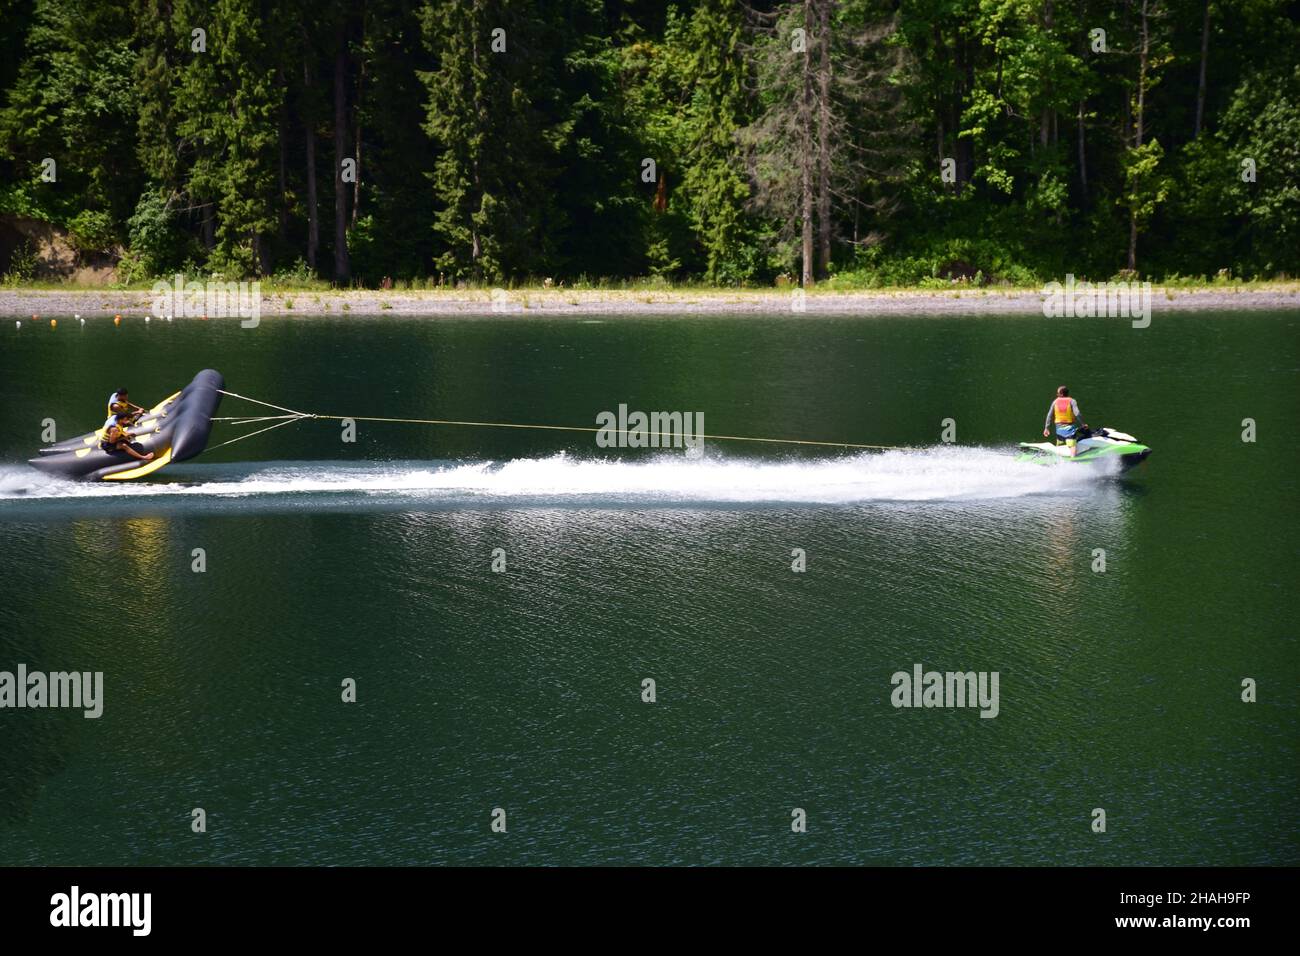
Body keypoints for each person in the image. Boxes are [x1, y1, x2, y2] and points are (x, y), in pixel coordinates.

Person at [1043, 386, 1090, 457]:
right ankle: (1073, 461)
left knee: (1059, 447)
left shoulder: (1055, 402)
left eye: (1057, 393)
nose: (1057, 395)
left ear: (1061, 394)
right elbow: (1077, 413)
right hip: (1069, 430)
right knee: (1073, 447)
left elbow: (1049, 415)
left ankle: (1057, 460)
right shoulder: (1072, 401)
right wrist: (1083, 424)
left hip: (1059, 430)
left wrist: (1046, 428)